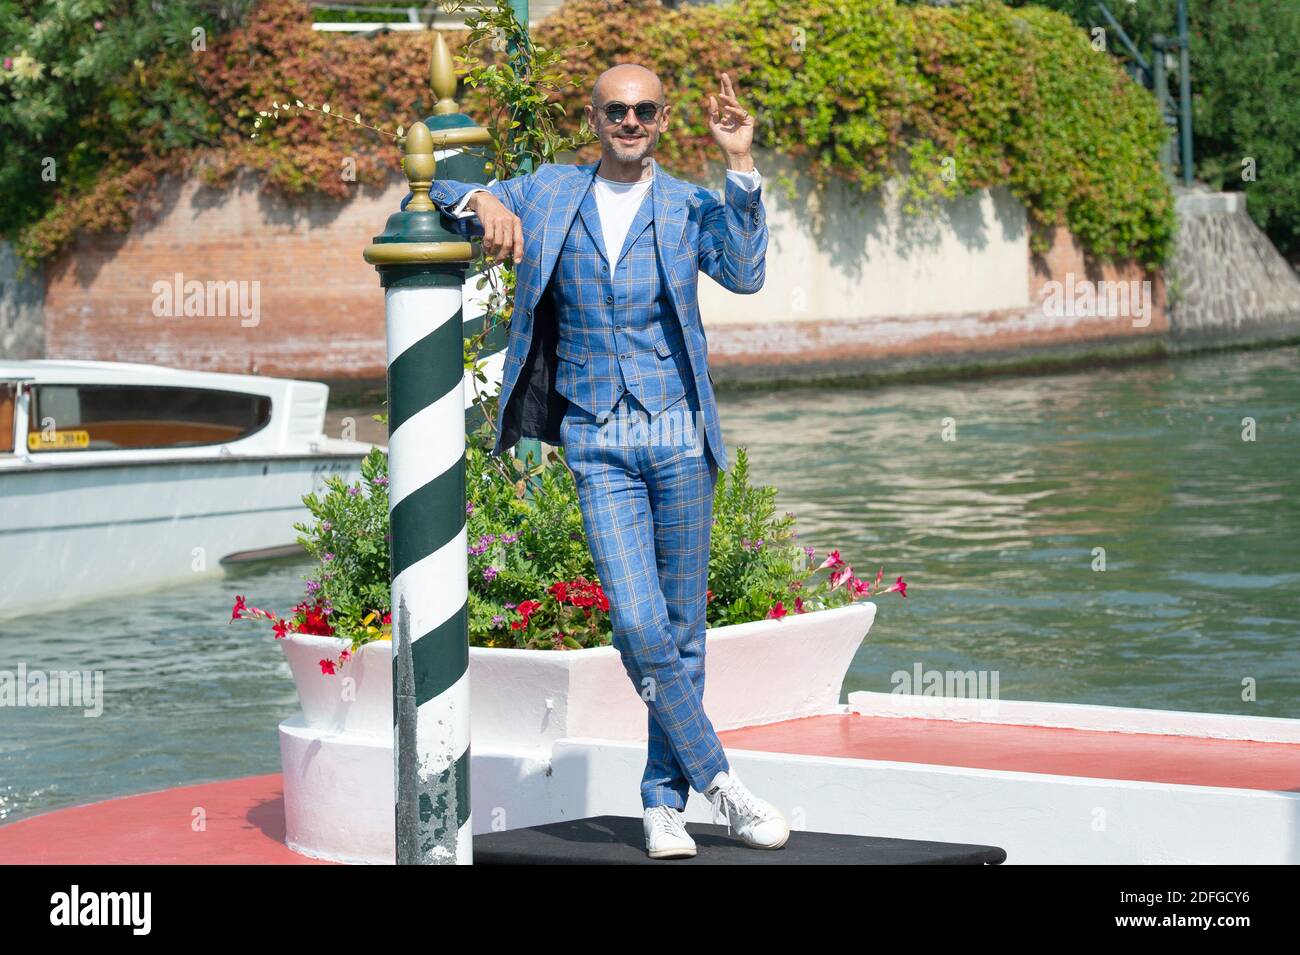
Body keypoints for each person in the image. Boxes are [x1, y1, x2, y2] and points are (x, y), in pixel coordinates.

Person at [420, 64, 788, 859]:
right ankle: (720, 778)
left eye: (645, 109)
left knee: (684, 632)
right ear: (593, 117)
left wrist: (740, 167)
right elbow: (431, 184)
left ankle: (663, 805)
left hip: (679, 434)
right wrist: (479, 198)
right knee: (637, 620)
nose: (630, 120)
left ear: (663, 118)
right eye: (616, 109)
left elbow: (748, 273)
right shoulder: (550, 192)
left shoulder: (690, 202)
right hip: (595, 434)